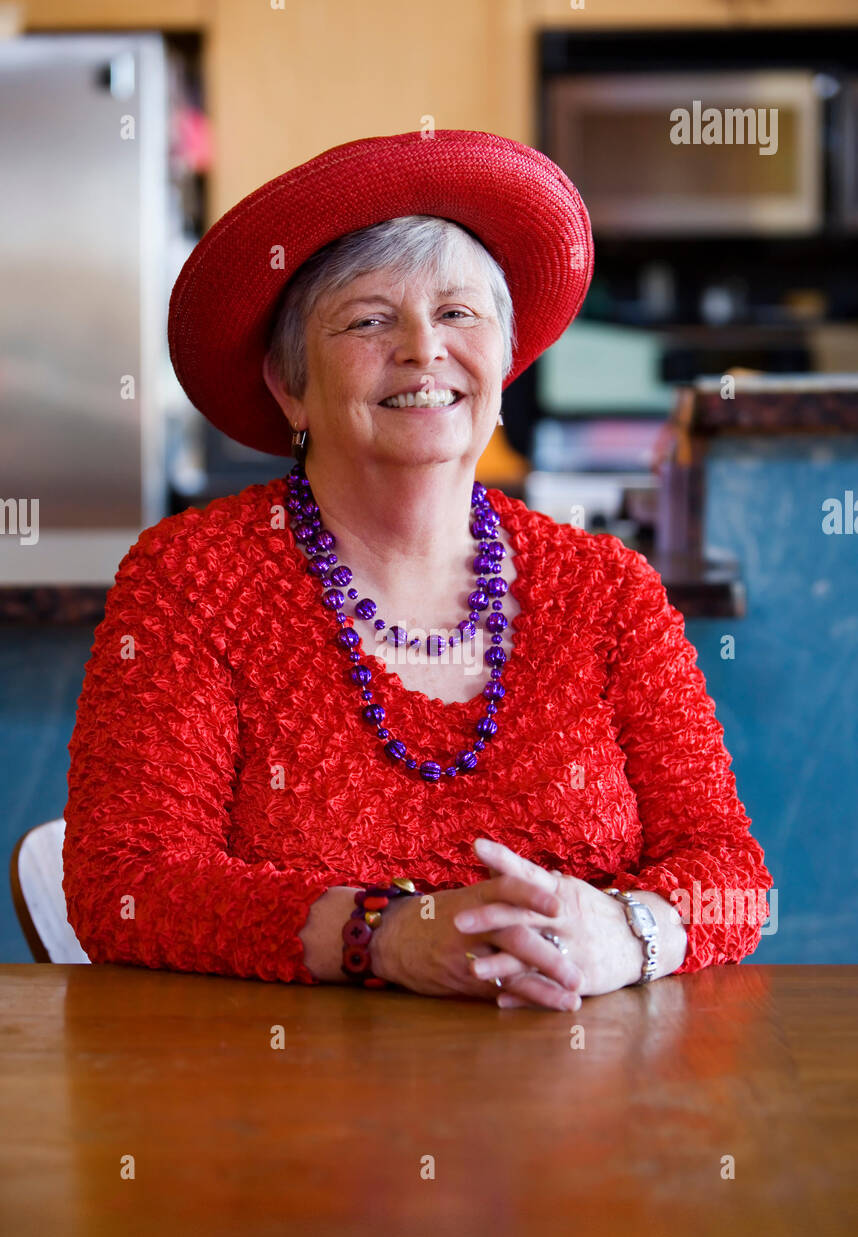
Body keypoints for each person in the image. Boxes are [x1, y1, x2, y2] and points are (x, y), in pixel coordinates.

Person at [62, 129, 773, 1011]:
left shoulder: (607, 590)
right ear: (290, 387)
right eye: (368, 319)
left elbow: (734, 876)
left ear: (503, 365)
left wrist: (623, 934)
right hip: (279, 1116)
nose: (423, 349)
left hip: (584, 1116)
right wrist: (384, 935)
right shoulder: (192, 581)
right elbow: (122, 886)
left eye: (459, 314)